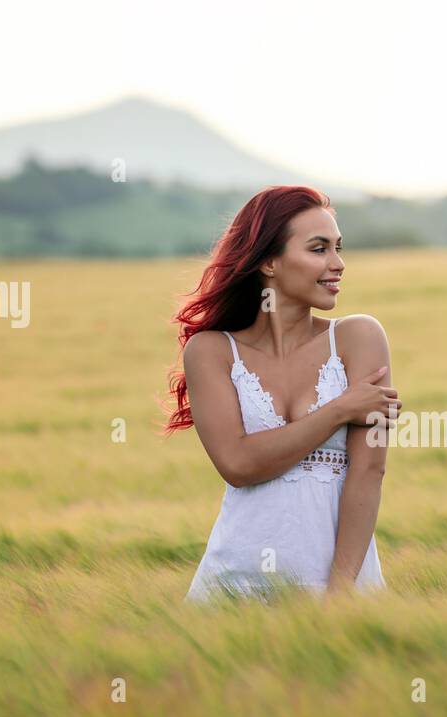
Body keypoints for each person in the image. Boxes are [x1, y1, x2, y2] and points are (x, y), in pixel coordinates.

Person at [163, 186, 400, 602]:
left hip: (341, 582)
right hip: (236, 581)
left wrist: (340, 593)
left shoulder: (360, 338)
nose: (338, 264)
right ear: (269, 262)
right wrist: (340, 409)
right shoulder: (211, 351)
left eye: (338, 248)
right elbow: (238, 465)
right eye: (319, 249)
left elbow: (369, 473)